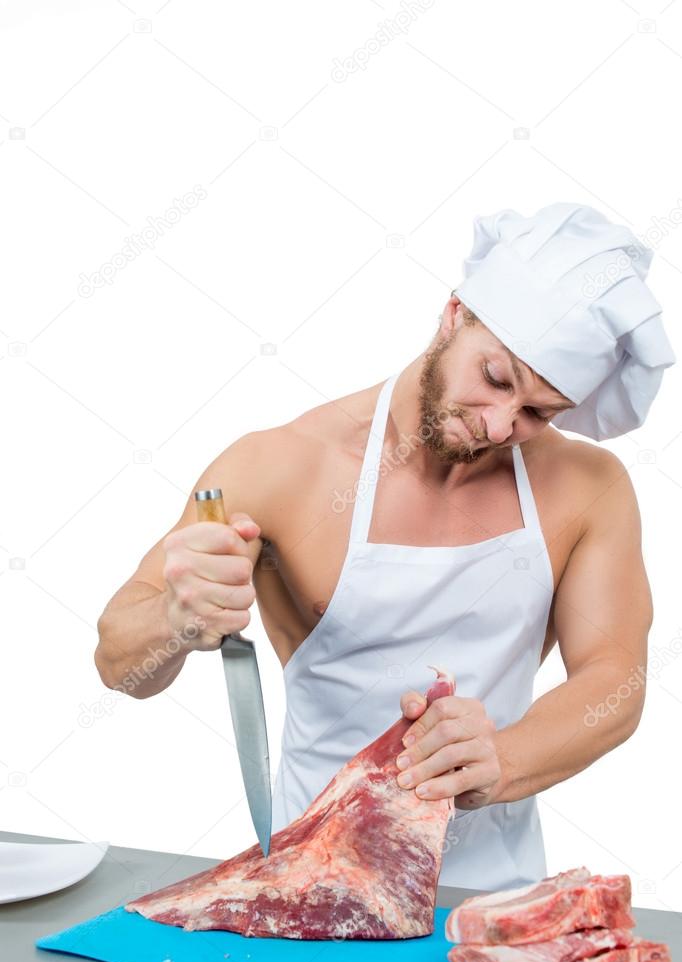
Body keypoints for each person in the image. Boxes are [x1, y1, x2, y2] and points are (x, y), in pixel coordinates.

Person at [95, 202, 675, 890]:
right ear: (454, 315)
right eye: (495, 379)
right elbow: (119, 664)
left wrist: (505, 757)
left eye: (536, 413)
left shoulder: (588, 488)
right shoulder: (282, 467)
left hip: (495, 899)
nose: (498, 426)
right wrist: (175, 619)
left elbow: (615, 681)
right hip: (312, 889)